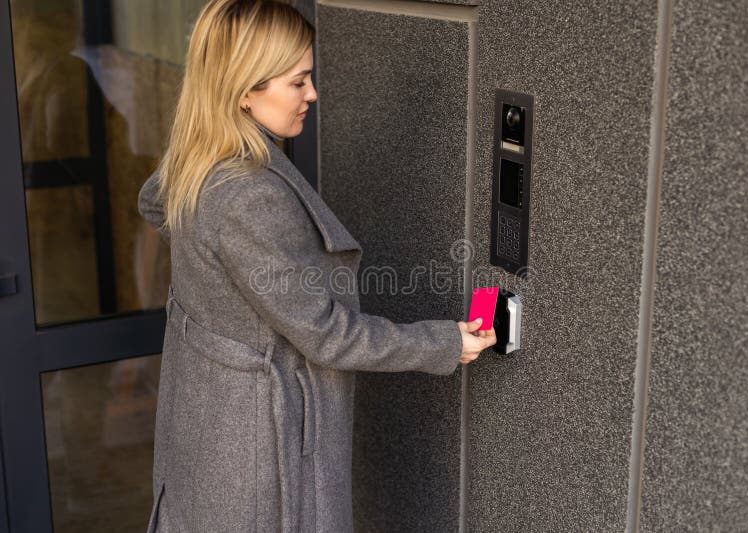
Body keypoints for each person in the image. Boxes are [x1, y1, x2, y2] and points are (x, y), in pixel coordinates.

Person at [137, 1, 496, 531]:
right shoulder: (248, 195)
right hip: (259, 452)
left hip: (206, 427)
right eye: (298, 81)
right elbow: (327, 336)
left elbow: (154, 204)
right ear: (243, 89)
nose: (313, 94)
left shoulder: (199, 156)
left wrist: (229, 291)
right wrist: (444, 343)